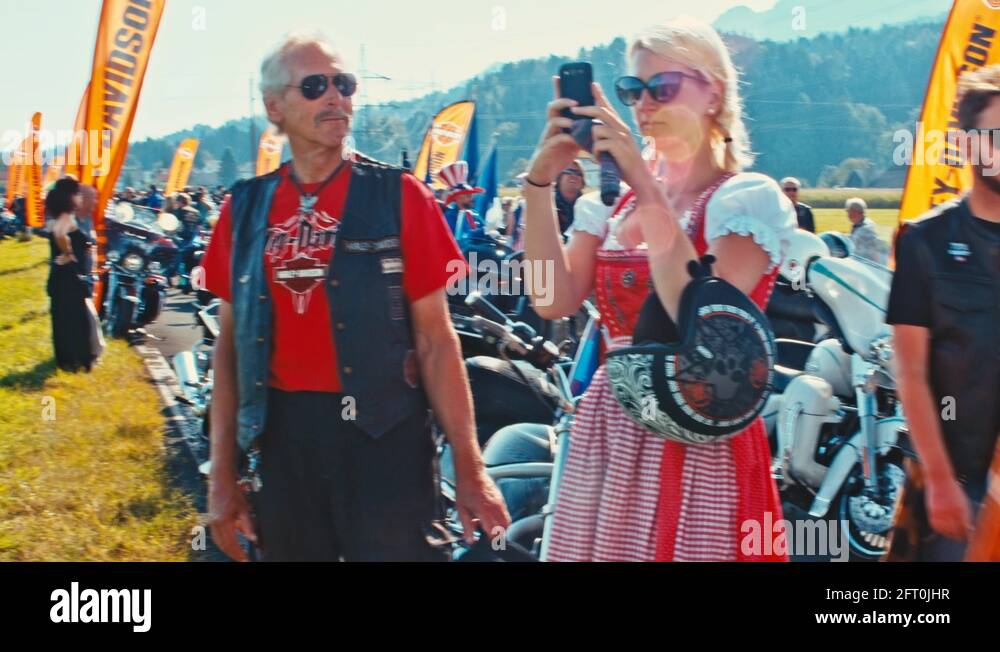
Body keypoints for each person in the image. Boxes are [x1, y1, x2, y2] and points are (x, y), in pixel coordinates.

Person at [203, 32, 508, 562]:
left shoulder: (400, 195)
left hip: (385, 438)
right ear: (275, 108)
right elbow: (229, 353)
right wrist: (222, 479)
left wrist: (471, 466)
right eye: (315, 86)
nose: (336, 97)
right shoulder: (243, 209)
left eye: (344, 84)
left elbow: (437, 342)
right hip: (284, 443)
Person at [522, 17, 795, 561]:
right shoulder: (610, 205)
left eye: (662, 87)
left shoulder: (744, 199)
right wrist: (537, 183)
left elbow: (699, 320)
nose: (643, 105)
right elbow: (552, 298)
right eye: (632, 90)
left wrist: (643, 183)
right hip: (612, 428)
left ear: (713, 91)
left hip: (697, 430)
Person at [887, 64, 1000, 562]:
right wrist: (938, 479)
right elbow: (910, 372)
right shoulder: (924, 242)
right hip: (961, 485)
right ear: (967, 142)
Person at [46, 178, 102, 372]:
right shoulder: (65, 219)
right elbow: (60, 234)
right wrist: (69, 254)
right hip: (67, 280)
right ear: (71, 197)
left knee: (68, 322)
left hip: (65, 279)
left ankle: (72, 362)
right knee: (74, 322)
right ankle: (76, 362)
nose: (80, 198)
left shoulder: (63, 216)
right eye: (77, 194)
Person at [439, 160, 485, 246]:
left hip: (477, 255)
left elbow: (485, 230)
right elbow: (458, 238)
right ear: (458, 198)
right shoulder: (450, 216)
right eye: (468, 196)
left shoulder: (475, 214)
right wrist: (481, 232)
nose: (471, 198)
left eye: (471, 195)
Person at [845, 197, 888, 264]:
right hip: (859, 261)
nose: (848, 214)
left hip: (866, 264)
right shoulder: (858, 224)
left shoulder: (866, 228)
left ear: (857, 212)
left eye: (849, 211)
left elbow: (874, 249)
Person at [554, 160, 586, 236]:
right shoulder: (547, 203)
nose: (574, 175)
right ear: (559, 177)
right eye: (569, 171)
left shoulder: (588, 206)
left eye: (578, 173)